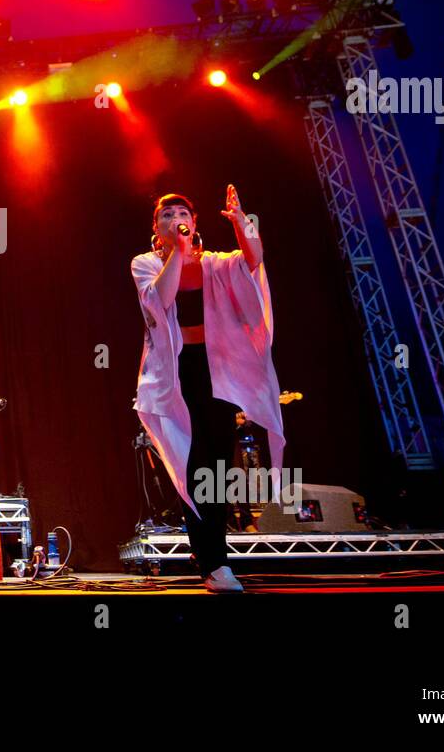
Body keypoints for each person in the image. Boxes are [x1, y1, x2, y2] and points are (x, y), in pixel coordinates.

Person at [131, 186, 284, 593]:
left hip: (219, 370)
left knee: (217, 463)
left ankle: (214, 558)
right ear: (156, 227)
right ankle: (214, 562)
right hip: (178, 372)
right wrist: (178, 253)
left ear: (195, 222)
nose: (175, 218)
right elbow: (160, 301)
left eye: (182, 213)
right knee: (193, 461)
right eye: (167, 215)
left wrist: (240, 221)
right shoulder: (146, 264)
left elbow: (254, 259)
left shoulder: (216, 264)